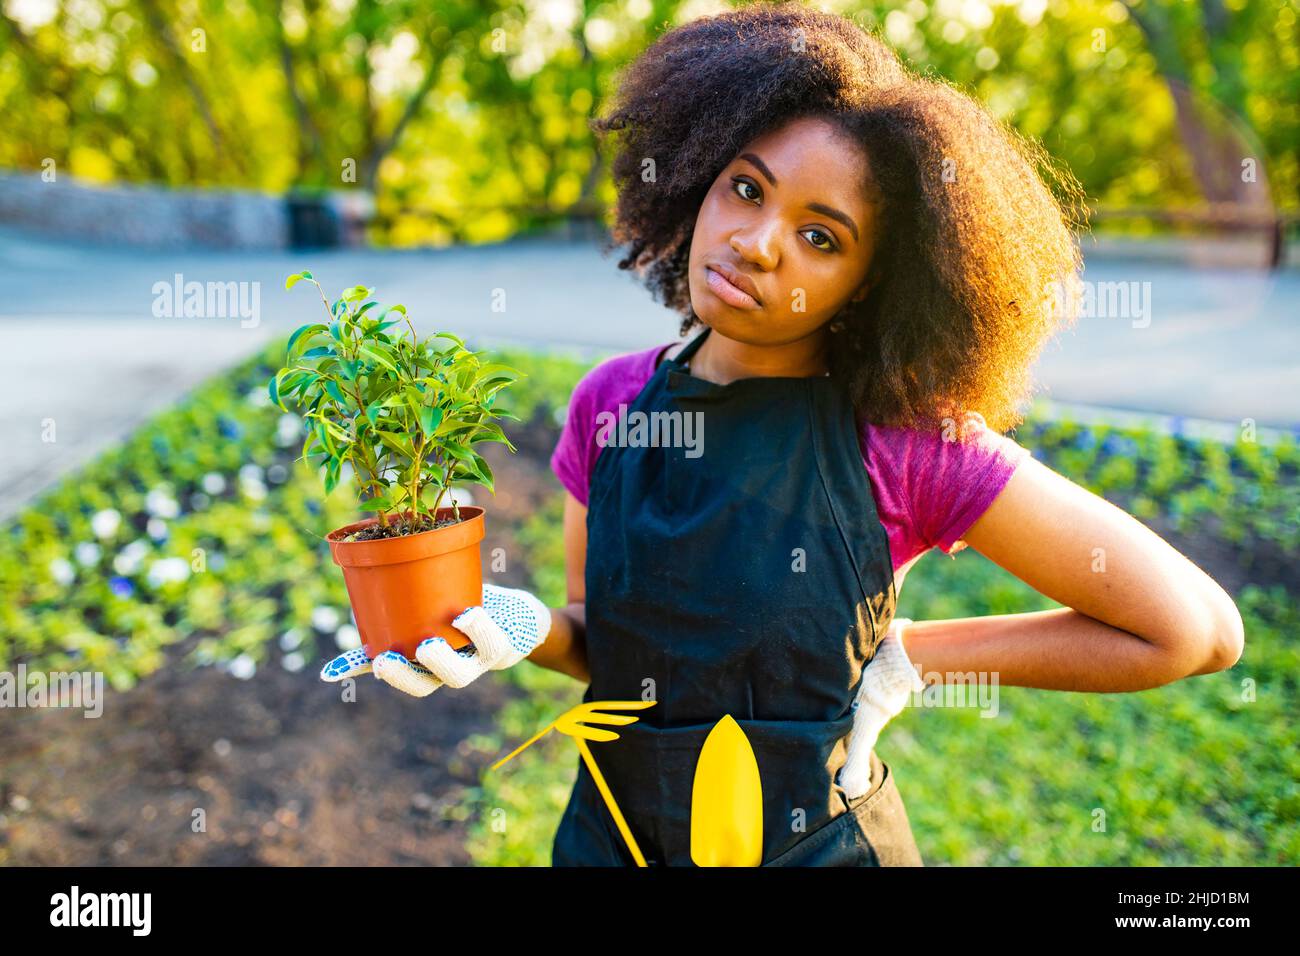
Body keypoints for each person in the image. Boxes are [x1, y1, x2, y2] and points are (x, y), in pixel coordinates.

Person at [320, 3, 1245, 866]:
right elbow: (608, 643)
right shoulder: (610, 403)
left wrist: (914, 657)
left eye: (823, 237)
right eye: (747, 188)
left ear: (874, 286)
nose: (760, 242)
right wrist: (509, 629)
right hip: (611, 838)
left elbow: (1190, 632)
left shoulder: (908, 447)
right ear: (695, 183)